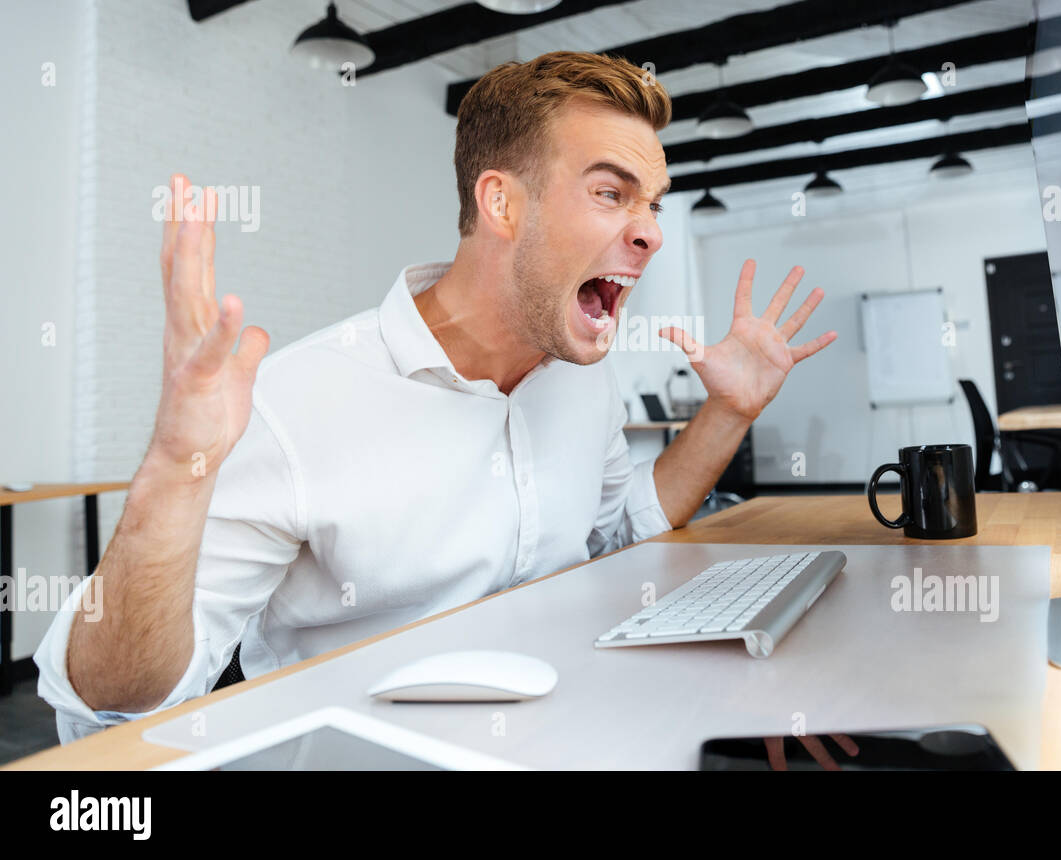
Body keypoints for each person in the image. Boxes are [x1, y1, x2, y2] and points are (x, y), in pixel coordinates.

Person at [35, 51, 836, 742]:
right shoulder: (295, 402)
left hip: (574, 730)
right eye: (610, 193)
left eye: (652, 204)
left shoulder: (583, 376)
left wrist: (729, 412)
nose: (651, 231)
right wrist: (177, 467)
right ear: (500, 203)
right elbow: (109, 705)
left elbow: (617, 540)